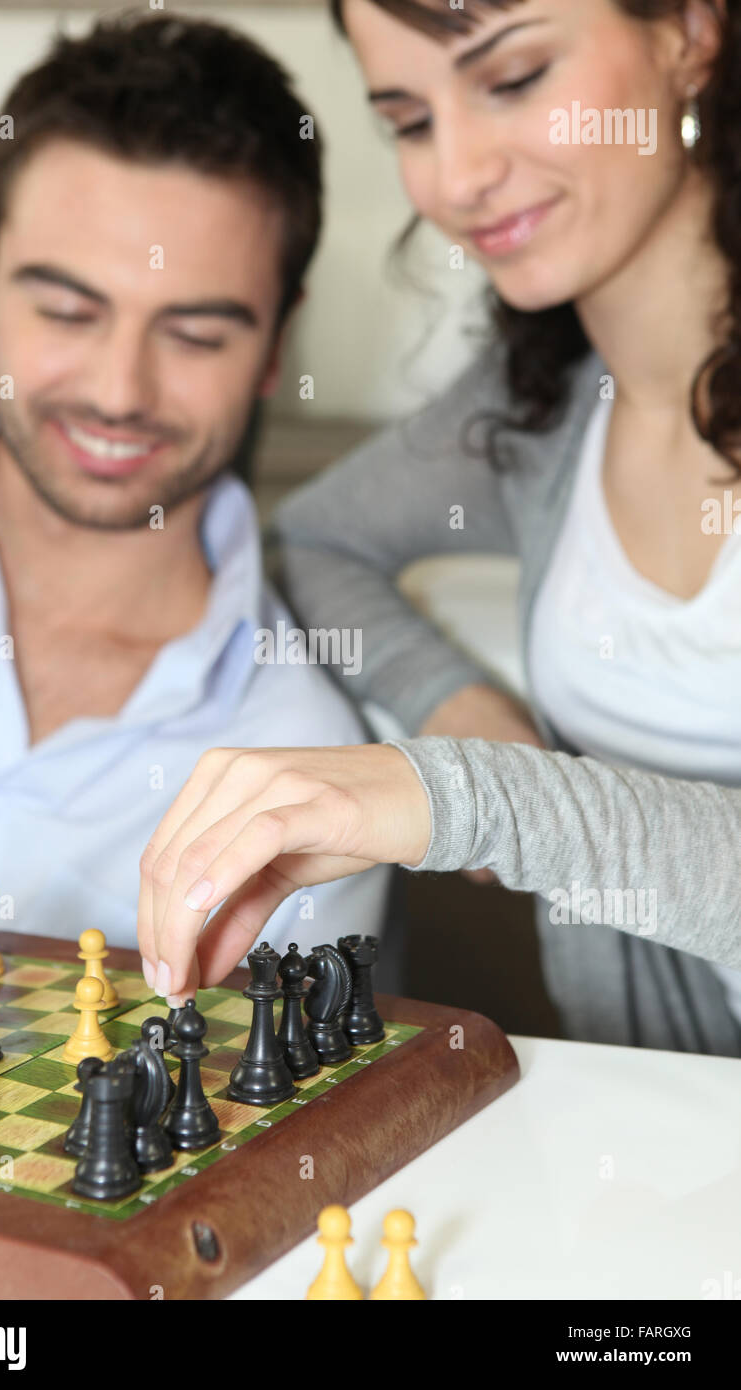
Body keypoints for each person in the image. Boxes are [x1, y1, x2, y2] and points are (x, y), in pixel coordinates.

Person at [138, 0, 741, 1057]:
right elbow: (310, 542)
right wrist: (461, 708)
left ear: (689, 33)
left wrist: (459, 793)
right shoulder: (537, 406)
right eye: (409, 119)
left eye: (512, 80)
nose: (456, 177)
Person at [0, 13, 389, 980]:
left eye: (195, 334)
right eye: (68, 310)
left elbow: (256, 1123)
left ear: (278, 344)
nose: (119, 391)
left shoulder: (304, 771)